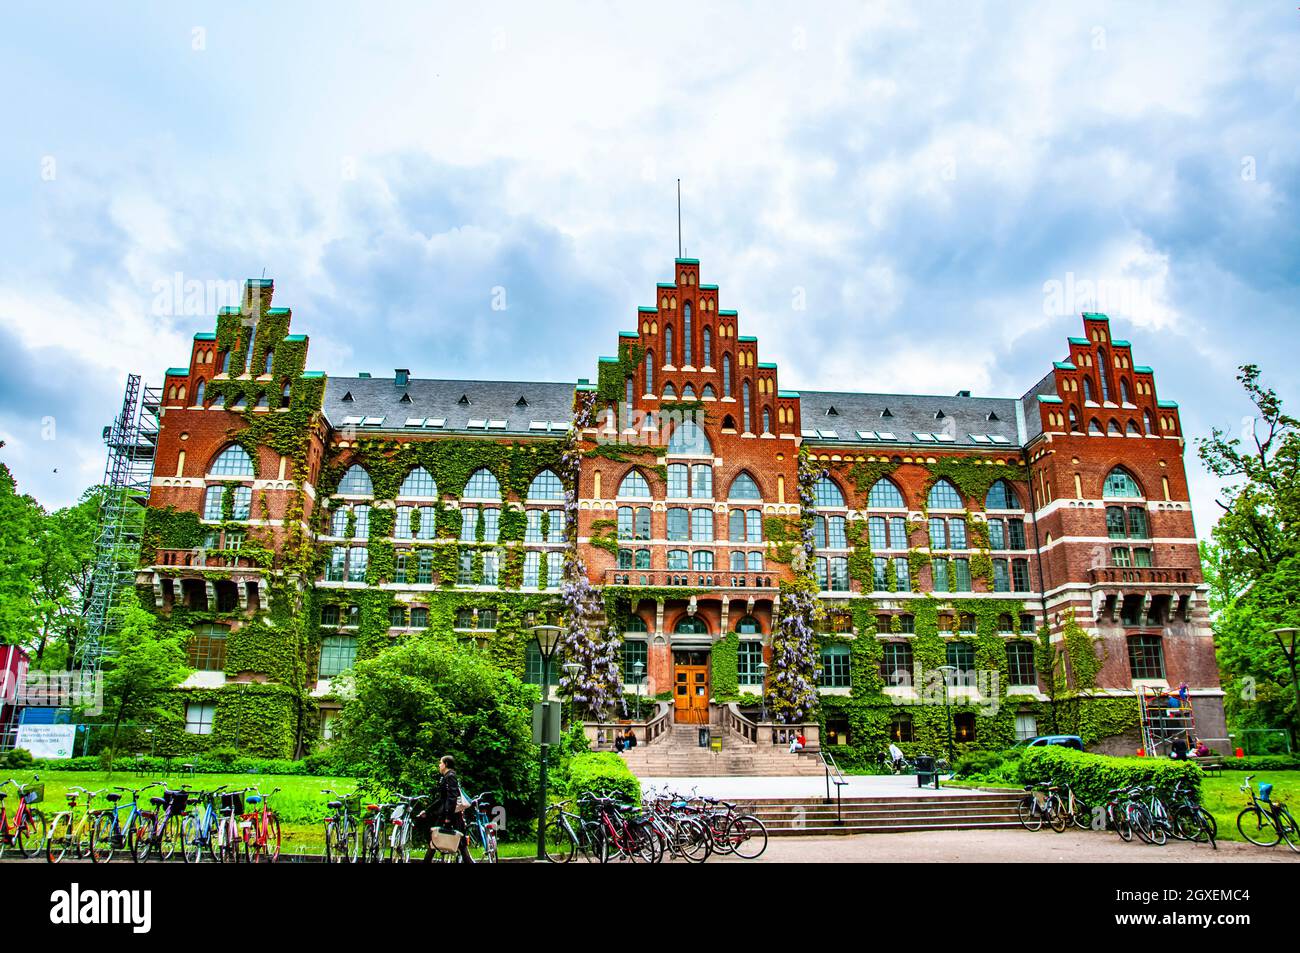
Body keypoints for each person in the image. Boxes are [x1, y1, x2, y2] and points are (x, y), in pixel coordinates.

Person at [422, 754, 472, 863]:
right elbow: (442, 799)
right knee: (458, 844)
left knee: (437, 842)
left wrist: (448, 818)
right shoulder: (447, 777)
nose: (439, 765)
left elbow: (452, 798)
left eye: (440, 763)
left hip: (451, 815)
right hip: (449, 814)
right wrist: (427, 811)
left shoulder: (450, 777)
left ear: (446, 764)